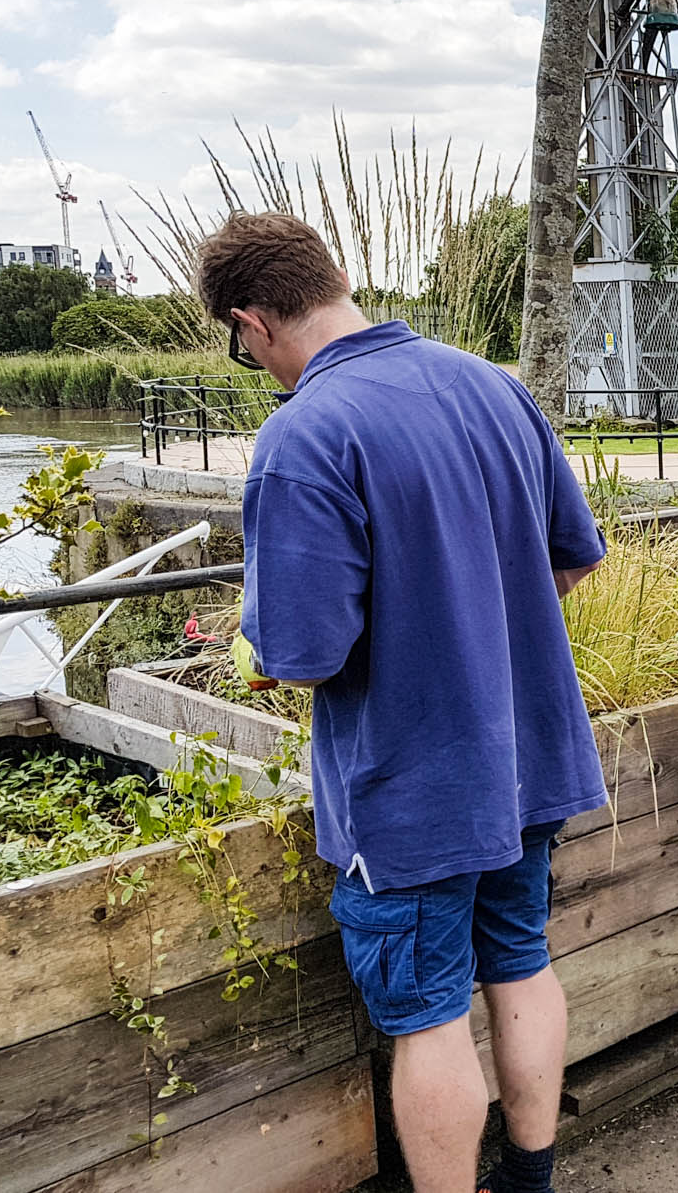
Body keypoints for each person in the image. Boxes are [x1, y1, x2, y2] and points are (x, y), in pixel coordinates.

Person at [205, 213, 607, 1193]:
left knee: (426, 1014)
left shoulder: (304, 432)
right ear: (336, 278)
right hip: (526, 756)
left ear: (253, 321)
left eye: (238, 344)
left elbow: (303, 653)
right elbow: (570, 562)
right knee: (519, 959)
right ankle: (529, 1177)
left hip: (411, 789)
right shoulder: (492, 386)